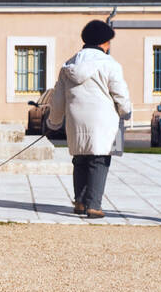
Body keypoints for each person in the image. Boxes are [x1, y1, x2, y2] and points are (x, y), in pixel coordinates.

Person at [47, 19, 131, 219]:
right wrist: (126, 112)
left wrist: (54, 121)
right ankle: (94, 205)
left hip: (76, 120)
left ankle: (80, 202)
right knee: (99, 159)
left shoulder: (68, 65)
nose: (109, 45)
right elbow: (120, 95)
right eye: (109, 42)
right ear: (103, 42)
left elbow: (57, 98)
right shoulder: (110, 65)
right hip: (103, 120)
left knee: (80, 159)